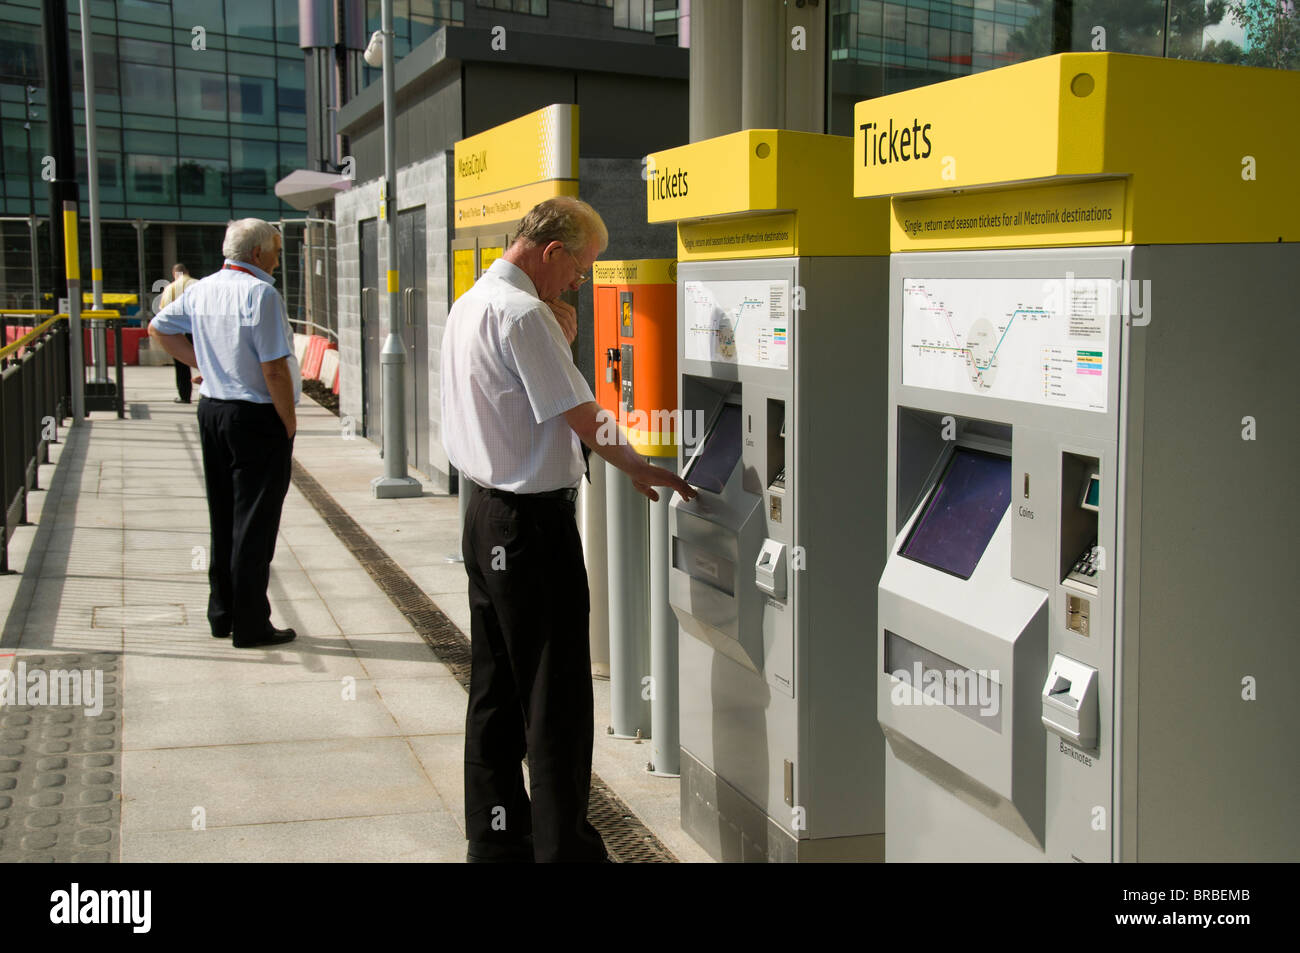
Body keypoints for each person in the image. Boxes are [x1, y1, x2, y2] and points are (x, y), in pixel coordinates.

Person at [441, 196, 695, 863]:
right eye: (579, 270)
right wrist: (640, 465)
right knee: (555, 695)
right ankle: (566, 850)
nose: (578, 282)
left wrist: (567, 331)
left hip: (483, 515)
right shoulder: (525, 314)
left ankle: (497, 837)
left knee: (495, 690)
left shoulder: (469, 303)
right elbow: (584, 414)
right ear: (553, 252)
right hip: (530, 526)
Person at [149, 219, 301, 649]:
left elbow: (158, 328)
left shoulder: (203, 288)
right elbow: (273, 368)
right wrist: (288, 422)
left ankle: (222, 613)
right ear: (257, 254)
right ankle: (252, 623)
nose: (278, 257)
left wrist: (202, 365)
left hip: (213, 411)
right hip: (254, 416)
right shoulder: (261, 294)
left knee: (224, 516)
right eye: (276, 249)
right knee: (255, 522)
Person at [156, 264, 199, 403]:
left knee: (182, 364)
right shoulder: (199, 284)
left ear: (174, 273)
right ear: (187, 271)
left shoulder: (170, 288)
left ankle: (184, 396)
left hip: (179, 332)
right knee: (207, 360)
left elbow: (162, 310)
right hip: (199, 330)